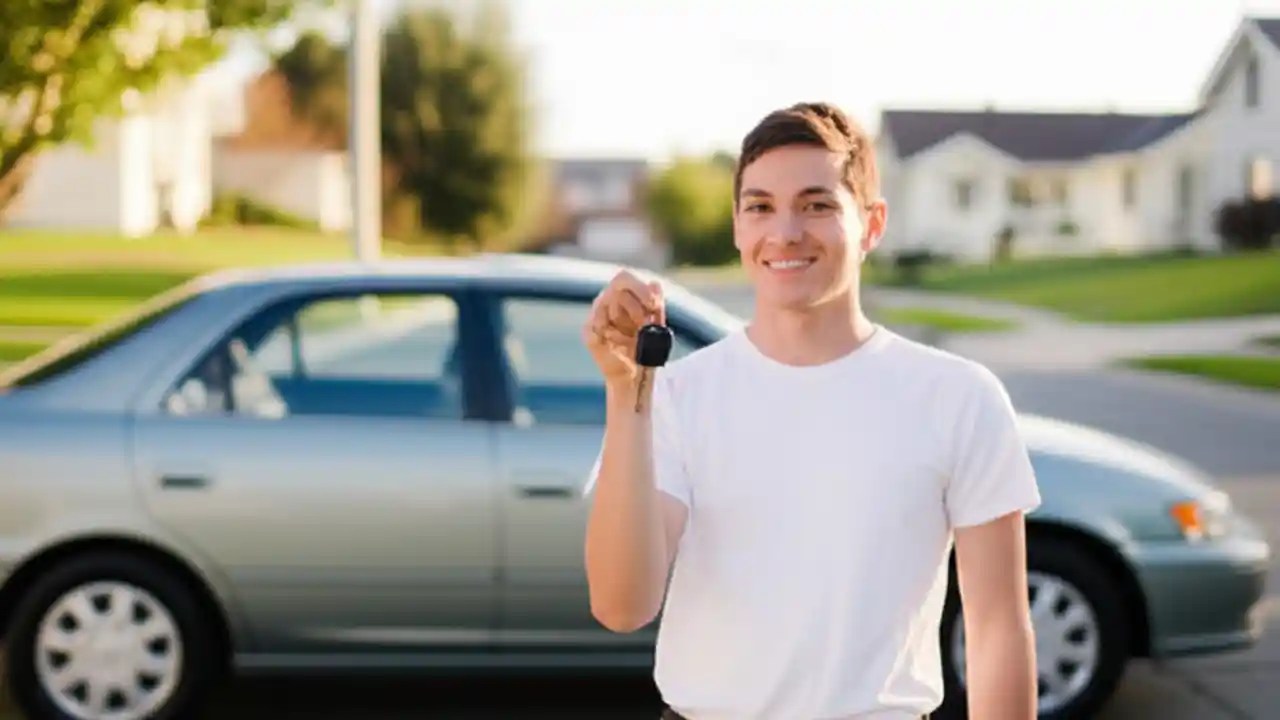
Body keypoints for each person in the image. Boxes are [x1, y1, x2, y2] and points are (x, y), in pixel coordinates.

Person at [582, 102, 1041, 720]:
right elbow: (621, 606)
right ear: (738, 228)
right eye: (761, 206)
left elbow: (997, 632)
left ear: (872, 224)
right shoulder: (674, 396)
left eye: (817, 204)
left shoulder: (958, 396)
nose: (786, 232)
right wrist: (626, 397)